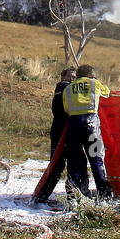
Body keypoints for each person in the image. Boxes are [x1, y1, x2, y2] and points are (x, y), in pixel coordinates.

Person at [61, 64, 113, 200]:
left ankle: (74, 195)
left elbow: (66, 108)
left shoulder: (67, 89)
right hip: (91, 124)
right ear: (90, 74)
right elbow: (107, 93)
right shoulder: (94, 83)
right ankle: (104, 194)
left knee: (74, 160)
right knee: (96, 158)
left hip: (74, 125)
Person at [32, 67, 77, 204]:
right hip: (60, 131)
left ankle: (72, 195)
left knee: (72, 164)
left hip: (71, 131)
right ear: (62, 77)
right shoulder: (62, 86)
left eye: (74, 77)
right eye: (70, 76)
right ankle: (42, 195)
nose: (72, 79)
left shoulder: (70, 89)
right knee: (57, 164)